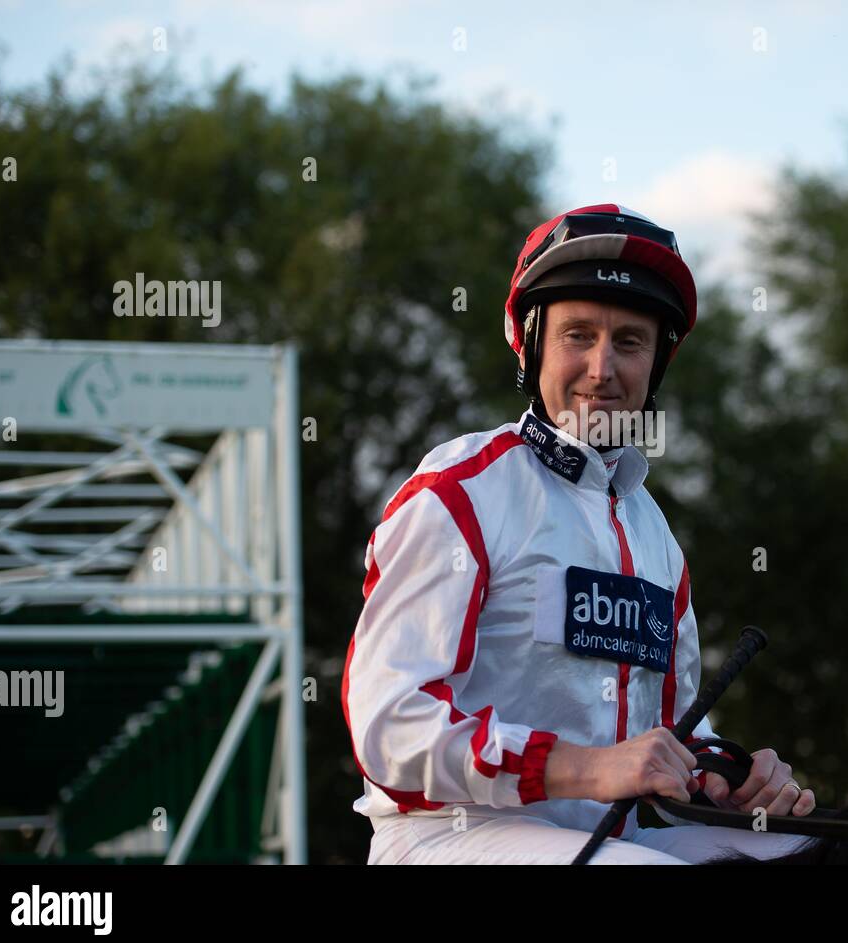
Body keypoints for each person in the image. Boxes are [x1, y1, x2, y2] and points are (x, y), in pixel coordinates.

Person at [343, 203, 817, 863]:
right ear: (532, 342)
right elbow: (387, 723)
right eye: (578, 335)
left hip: (611, 842)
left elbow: (672, 733)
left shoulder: (654, 534)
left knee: (808, 851)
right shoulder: (460, 493)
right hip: (446, 836)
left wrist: (730, 780)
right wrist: (589, 767)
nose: (602, 368)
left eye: (629, 341)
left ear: (656, 363)